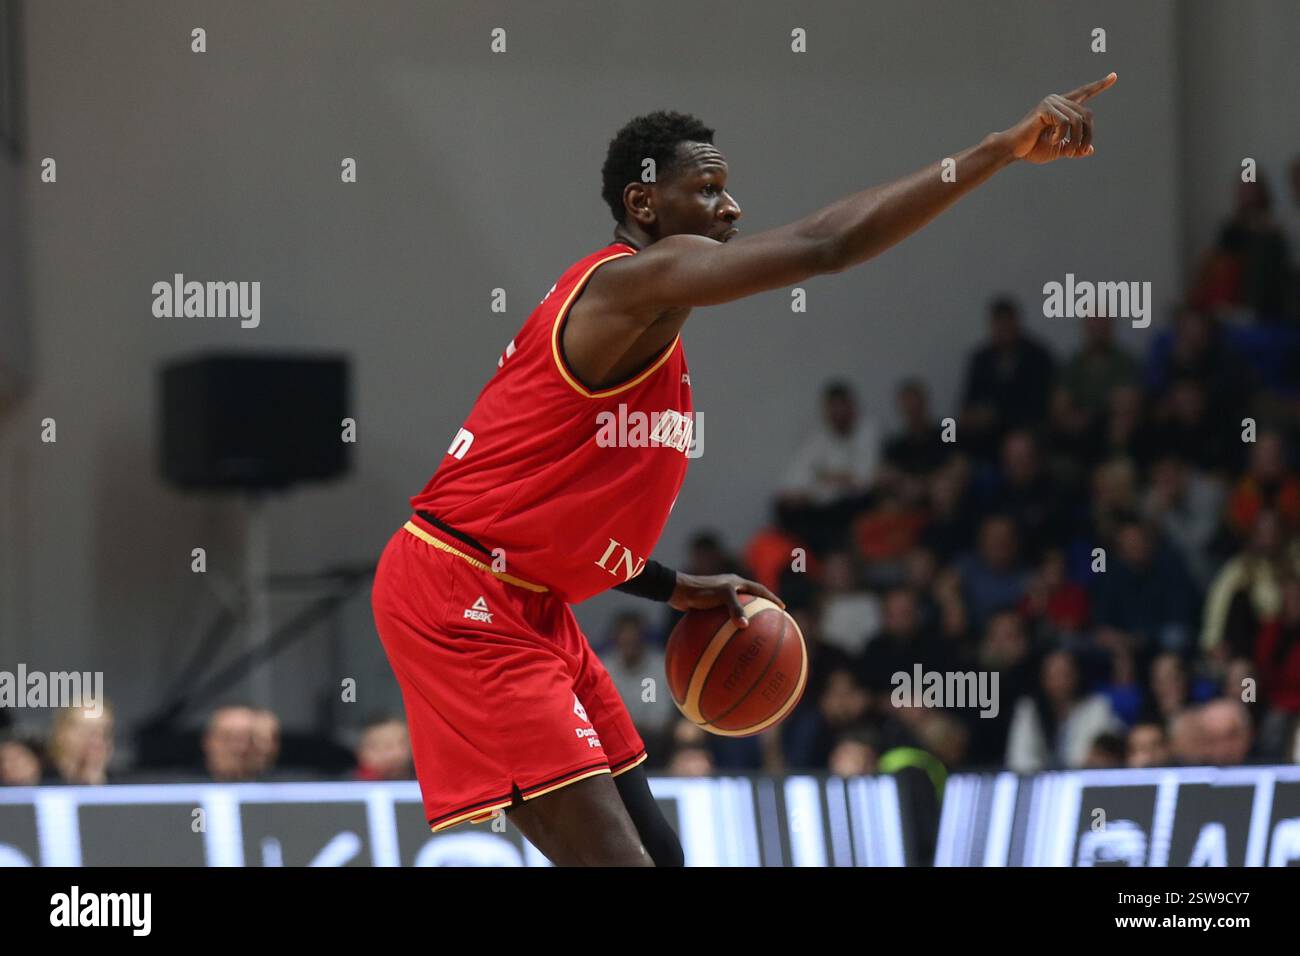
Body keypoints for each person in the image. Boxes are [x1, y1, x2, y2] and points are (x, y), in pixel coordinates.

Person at [370, 75, 1119, 866]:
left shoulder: (645, 320)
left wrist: (674, 587)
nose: (731, 211)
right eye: (709, 190)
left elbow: (549, 512)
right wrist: (1000, 148)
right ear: (645, 203)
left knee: (660, 855)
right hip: (458, 600)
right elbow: (827, 246)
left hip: (527, 595)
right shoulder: (627, 283)